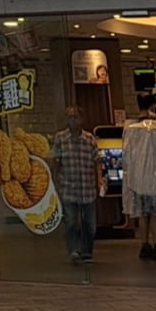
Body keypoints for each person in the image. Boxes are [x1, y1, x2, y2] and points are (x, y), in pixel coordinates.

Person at [123, 93, 156, 261]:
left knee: (142, 213)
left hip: (137, 180)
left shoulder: (130, 129)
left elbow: (126, 155)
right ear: (154, 105)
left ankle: (144, 244)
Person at [51, 107, 100, 264]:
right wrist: (55, 182)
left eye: (76, 117)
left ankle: (87, 252)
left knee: (90, 224)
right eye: (70, 117)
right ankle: (74, 250)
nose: (73, 120)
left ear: (82, 119)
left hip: (87, 188)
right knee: (71, 221)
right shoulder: (60, 138)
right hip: (69, 188)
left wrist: (99, 181)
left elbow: (96, 162)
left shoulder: (90, 139)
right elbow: (55, 162)